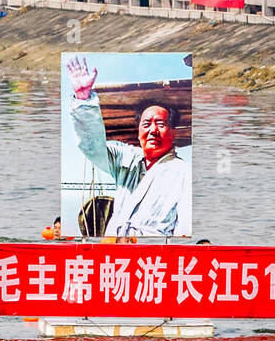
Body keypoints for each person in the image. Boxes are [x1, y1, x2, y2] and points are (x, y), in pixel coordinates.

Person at [66, 55, 191, 237]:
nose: (153, 130)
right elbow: (92, 146)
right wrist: (83, 99)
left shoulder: (184, 173)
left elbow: (185, 227)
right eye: (146, 124)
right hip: (114, 249)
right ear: (138, 132)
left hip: (152, 254)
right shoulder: (126, 158)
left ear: (173, 132)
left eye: (161, 124)